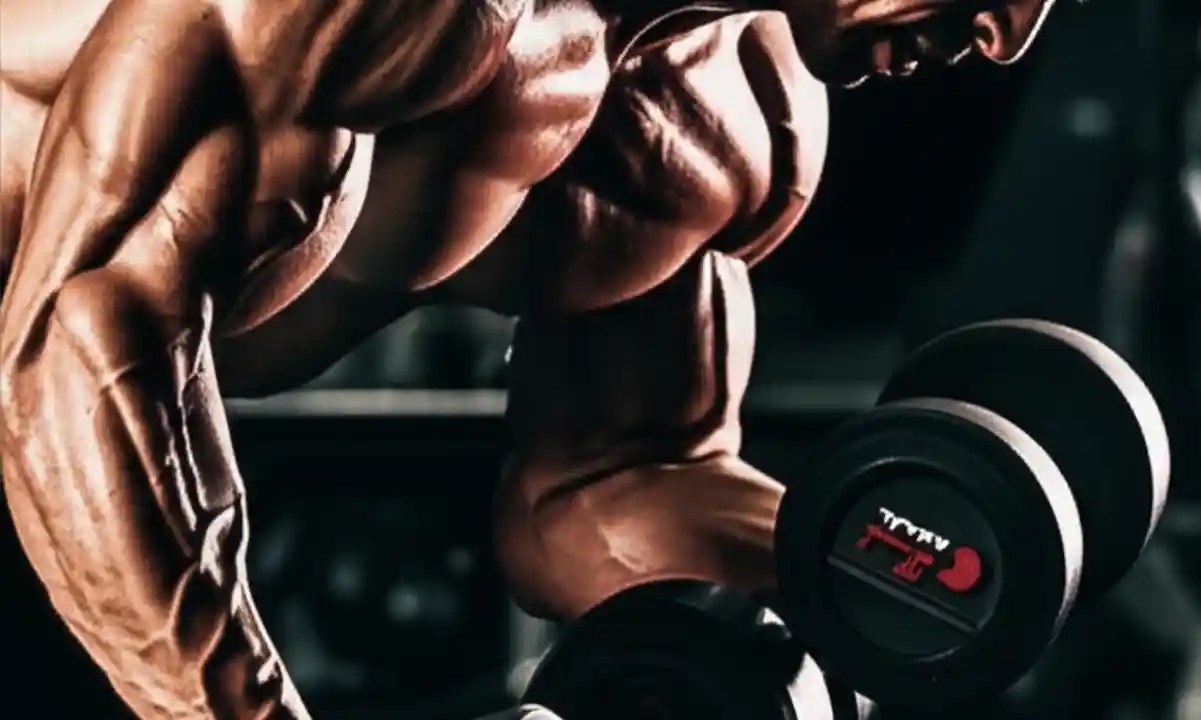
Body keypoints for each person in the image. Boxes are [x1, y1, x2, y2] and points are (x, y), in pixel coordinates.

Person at [0, 0, 1058, 716]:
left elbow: (606, 492)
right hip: (52, 436)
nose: (1007, 33)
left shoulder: (734, 119)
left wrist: (865, 571)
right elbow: (77, 347)